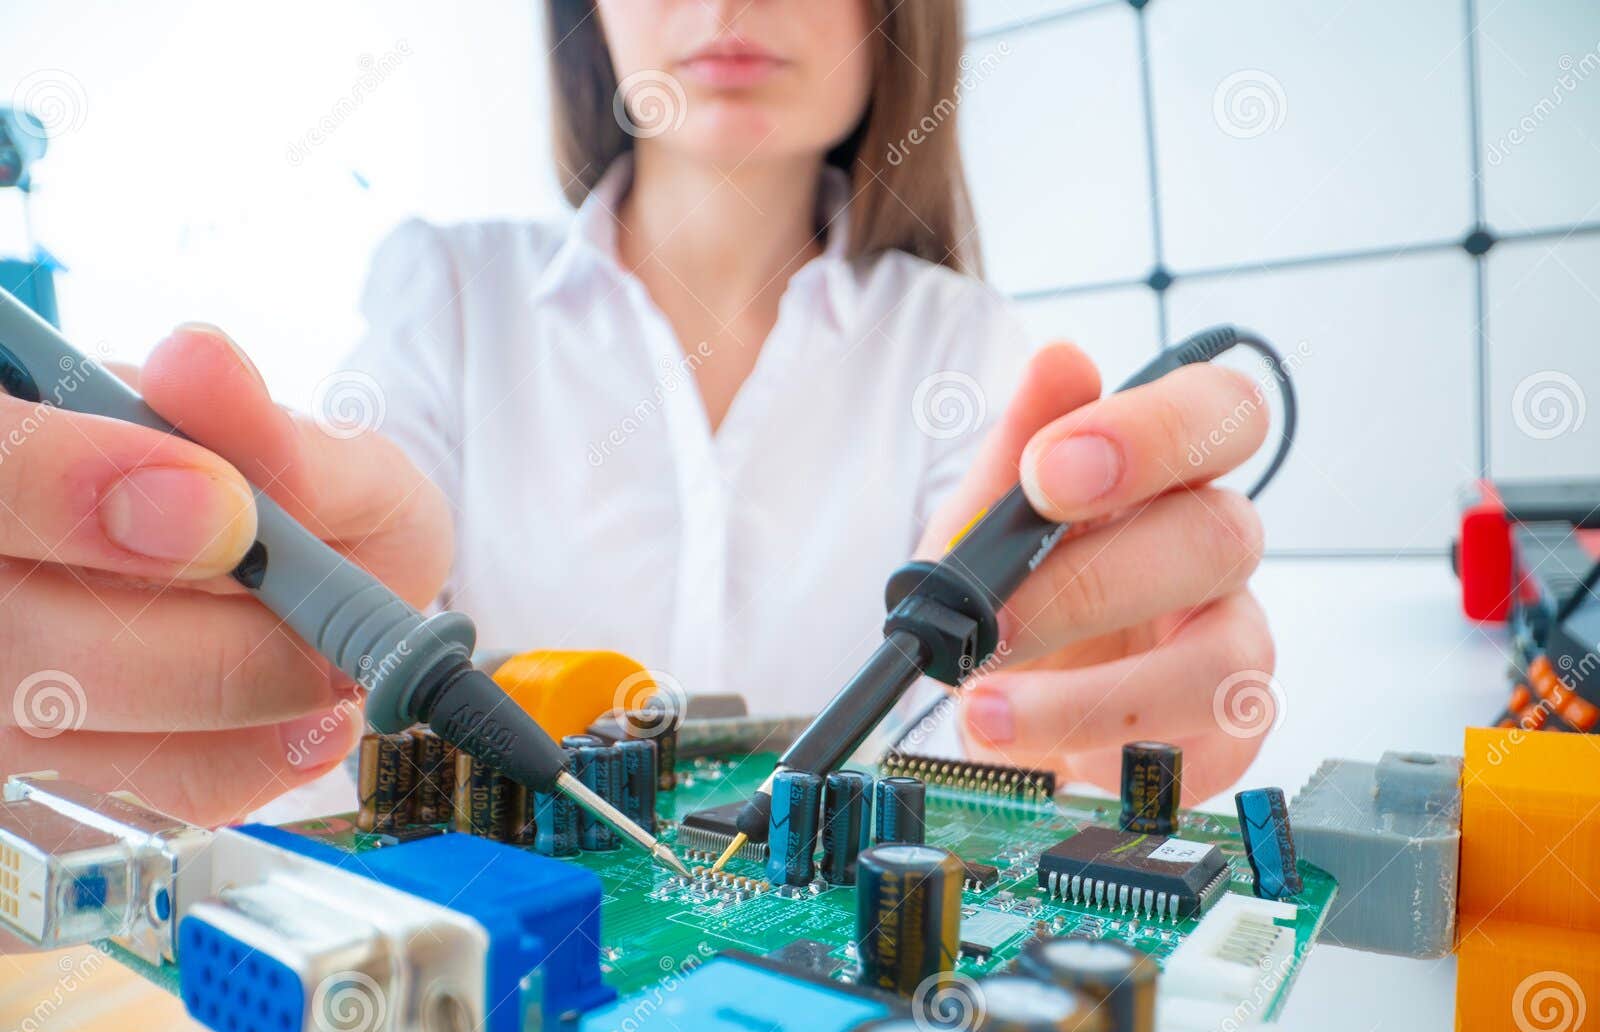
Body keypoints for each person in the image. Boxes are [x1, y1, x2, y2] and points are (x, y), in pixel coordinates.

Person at [0, 0, 1271, 831]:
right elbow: (343, 623)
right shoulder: (445, 293)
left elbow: (964, 787)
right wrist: (198, 643)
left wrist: (1058, 725)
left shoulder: (970, 349)